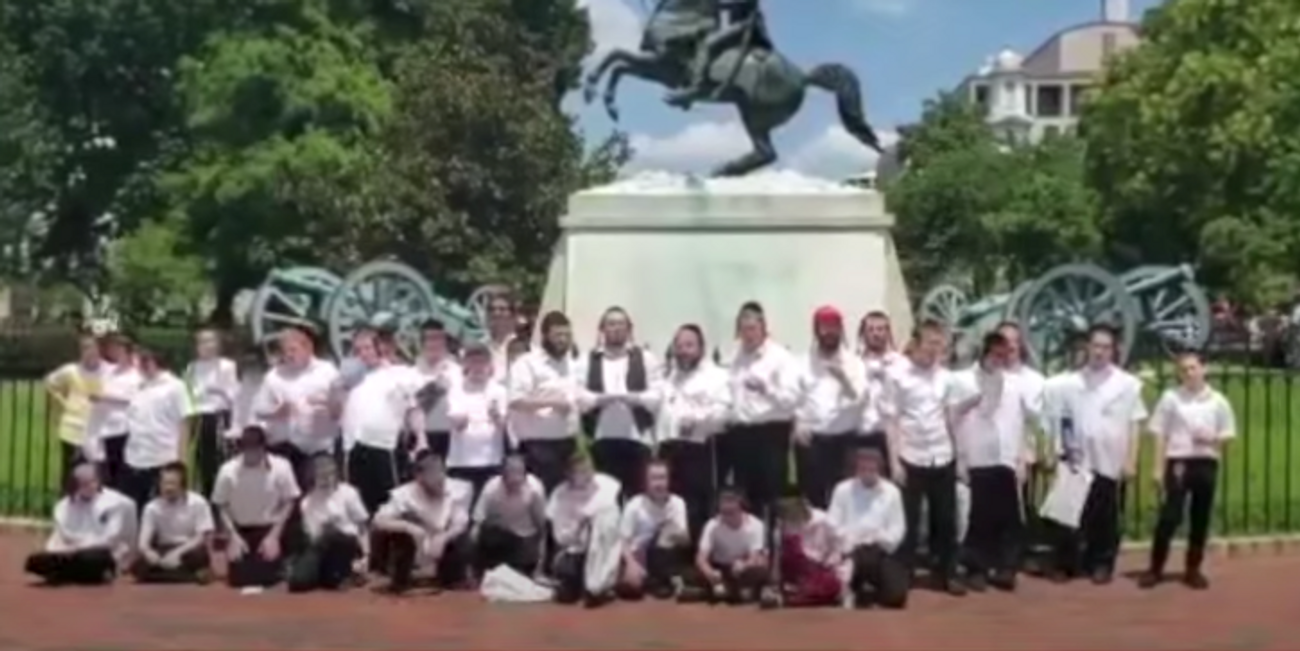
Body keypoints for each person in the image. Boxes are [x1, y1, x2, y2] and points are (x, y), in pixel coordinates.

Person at [1047, 324, 1148, 585]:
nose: (1100, 352)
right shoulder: (1071, 383)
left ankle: (1101, 562)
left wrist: (1131, 459)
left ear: (1113, 350)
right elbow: (1063, 420)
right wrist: (1062, 451)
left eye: (1106, 347)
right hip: (1077, 459)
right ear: (1087, 347)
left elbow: (1135, 422)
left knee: (1105, 515)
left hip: (1110, 459)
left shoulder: (1126, 385)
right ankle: (1065, 563)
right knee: (1069, 514)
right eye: (1096, 346)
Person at [880, 319, 964, 596]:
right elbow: (891, 420)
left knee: (946, 519)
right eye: (930, 343)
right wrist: (894, 461)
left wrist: (959, 456)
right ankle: (904, 572)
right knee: (909, 519)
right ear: (916, 343)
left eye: (939, 345)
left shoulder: (946, 377)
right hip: (910, 455)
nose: (934, 350)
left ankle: (946, 571)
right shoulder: (897, 376)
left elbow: (950, 418)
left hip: (942, 454)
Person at [1139, 351, 1235, 590]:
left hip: (1205, 461)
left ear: (1204, 369)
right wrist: (1158, 468)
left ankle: (1193, 569)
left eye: (1193, 368)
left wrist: (1212, 438)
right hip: (1179, 460)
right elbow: (1160, 432)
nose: (1189, 373)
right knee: (1170, 516)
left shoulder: (1218, 401)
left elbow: (1228, 433)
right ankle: (1155, 568)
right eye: (1183, 370)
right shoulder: (1171, 398)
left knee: (1200, 517)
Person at [948, 331, 1036, 592]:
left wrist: (1021, 456)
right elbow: (952, 418)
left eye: (1004, 355)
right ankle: (976, 568)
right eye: (995, 354)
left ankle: (1007, 567)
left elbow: (1022, 421)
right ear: (984, 353)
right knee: (979, 518)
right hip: (976, 456)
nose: (999, 360)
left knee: (1009, 518)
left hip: (1005, 457)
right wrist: (959, 458)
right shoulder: (962, 380)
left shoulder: (1014, 383)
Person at [723, 301, 800, 521]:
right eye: (743, 329)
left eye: (752, 328)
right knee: (745, 495)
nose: (747, 335)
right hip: (741, 434)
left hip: (771, 433)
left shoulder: (780, 358)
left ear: (763, 328)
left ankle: (774, 538)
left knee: (773, 495)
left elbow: (792, 400)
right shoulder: (734, 358)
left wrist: (767, 389)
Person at [652, 324, 730, 540]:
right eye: (679, 346)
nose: (683, 351)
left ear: (701, 348)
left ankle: (697, 553)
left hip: (699, 449)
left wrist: (697, 420)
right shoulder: (668, 377)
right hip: (668, 448)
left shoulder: (716, 376)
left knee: (696, 508)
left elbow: (724, 415)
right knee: (669, 507)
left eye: (689, 345)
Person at [579, 307, 660, 499]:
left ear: (629, 329)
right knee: (605, 499)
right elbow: (578, 396)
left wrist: (633, 398)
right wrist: (601, 399)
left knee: (637, 498)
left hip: (638, 439)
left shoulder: (646, 358)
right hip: (601, 439)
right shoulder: (587, 359)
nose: (616, 328)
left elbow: (657, 396)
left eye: (621, 324)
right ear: (602, 329)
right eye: (611, 324)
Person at [340, 329, 424, 515]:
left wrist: (420, 438)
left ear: (380, 347)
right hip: (353, 448)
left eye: (367, 348)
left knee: (392, 505)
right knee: (360, 506)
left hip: (385, 447)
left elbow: (417, 406)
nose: (363, 353)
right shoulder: (352, 380)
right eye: (358, 350)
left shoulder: (401, 373)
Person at [794, 306, 867, 509]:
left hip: (844, 441)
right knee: (813, 500)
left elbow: (860, 399)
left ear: (841, 330)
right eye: (824, 327)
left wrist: (843, 380)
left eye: (833, 327)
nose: (829, 332)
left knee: (845, 500)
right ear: (816, 331)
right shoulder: (802, 363)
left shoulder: (854, 362)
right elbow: (795, 398)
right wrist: (798, 423)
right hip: (813, 442)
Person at [211, 424, 301, 589]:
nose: (250, 454)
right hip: (240, 529)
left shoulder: (281, 467)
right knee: (239, 580)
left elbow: (290, 500)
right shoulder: (227, 471)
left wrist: (274, 536)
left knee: (269, 578)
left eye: (254, 449)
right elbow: (221, 505)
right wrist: (233, 536)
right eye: (247, 449)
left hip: (269, 527)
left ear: (263, 448)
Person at [371, 451, 474, 594]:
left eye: (441, 471)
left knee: (463, 537)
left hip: (442, 542)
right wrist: (410, 527)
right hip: (417, 543)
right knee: (394, 534)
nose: (439, 477)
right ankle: (401, 579)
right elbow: (379, 520)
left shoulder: (459, 489)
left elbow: (461, 522)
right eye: (432, 472)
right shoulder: (403, 494)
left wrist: (444, 537)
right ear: (419, 476)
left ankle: (453, 578)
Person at [254, 325, 341, 487]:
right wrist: (277, 412)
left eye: (293, 350)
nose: (288, 355)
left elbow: (342, 405)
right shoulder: (274, 376)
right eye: (284, 351)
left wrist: (326, 404)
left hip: (318, 448)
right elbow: (259, 410)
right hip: (284, 448)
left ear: (308, 347)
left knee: (315, 492)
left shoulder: (327, 371)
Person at [509, 311, 583, 492]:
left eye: (567, 335)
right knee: (542, 496)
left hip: (568, 444)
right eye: (558, 335)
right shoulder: (527, 363)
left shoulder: (574, 365)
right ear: (545, 336)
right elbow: (516, 400)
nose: (563, 340)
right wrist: (552, 403)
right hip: (538, 446)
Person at [24, 463, 133, 585]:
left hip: (100, 552)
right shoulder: (63, 506)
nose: (90, 486)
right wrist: (67, 549)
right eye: (84, 484)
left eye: (92, 482)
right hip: (70, 552)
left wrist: (80, 546)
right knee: (34, 561)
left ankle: (68, 573)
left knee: (92, 559)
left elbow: (110, 538)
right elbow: (64, 535)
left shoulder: (114, 503)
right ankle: (75, 573)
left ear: (98, 482)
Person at [827, 448, 909, 609]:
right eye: (863, 469)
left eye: (872, 469)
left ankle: (868, 592)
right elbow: (832, 525)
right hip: (850, 551)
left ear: (879, 469)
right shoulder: (842, 490)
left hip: (879, 551)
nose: (867, 473)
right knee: (835, 584)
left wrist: (878, 537)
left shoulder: (892, 493)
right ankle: (852, 588)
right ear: (856, 469)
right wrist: (850, 541)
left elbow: (897, 529)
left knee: (897, 596)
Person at [663, 0, 775, 110]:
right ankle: (688, 84)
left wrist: (714, 5)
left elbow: (737, 4)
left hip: (747, 27)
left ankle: (699, 86)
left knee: (709, 45)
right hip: (740, 26)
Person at [121, 348, 193, 512]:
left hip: (162, 458)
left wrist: (181, 459)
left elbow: (185, 422)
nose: (141, 366)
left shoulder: (175, 386)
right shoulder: (139, 387)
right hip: (135, 458)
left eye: (146, 361)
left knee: (162, 510)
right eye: (140, 362)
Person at [547, 453, 623, 606]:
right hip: (574, 550)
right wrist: (579, 527)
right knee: (566, 596)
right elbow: (560, 538)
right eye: (581, 472)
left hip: (602, 548)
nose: (588, 475)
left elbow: (615, 525)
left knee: (606, 517)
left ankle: (598, 586)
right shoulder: (559, 495)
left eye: (590, 470)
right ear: (569, 475)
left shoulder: (609, 487)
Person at [288, 453, 369, 592]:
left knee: (333, 535)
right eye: (321, 475)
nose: (326, 479)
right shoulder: (307, 502)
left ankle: (347, 571)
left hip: (347, 543)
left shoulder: (349, 493)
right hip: (320, 546)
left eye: (329, 474)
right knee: (298, 582)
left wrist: (366, 555)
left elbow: (362, 526)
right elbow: (312, 535)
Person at [616, 461, 691, 600]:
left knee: (666, 535)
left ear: (668, 480)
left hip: (664, 555)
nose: (659, 483)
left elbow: (685, 540)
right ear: (646, 482)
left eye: (662, 478)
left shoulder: (678, 503)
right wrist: (631, 564)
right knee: (631, 587)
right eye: (654, 478)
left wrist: (670, 530)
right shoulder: (634, 505)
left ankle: (662, 580)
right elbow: (623, 541)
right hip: (638, 556)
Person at [446, 343, 510, 501]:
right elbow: (456, 422)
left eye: (482, 362)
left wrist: (496, 417)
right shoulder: (456, 390)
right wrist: (461, 421)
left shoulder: (499, 391)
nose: (478, 367)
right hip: (461, 460)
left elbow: (504, 426)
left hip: (492, 459)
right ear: (466, 364)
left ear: (489, 364)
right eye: (473, 361)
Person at [133, 462, 214, 583]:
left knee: (199, 557)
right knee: (139, 565)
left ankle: (164, 575)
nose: (168, 488)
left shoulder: (198, 503)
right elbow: (143, 542)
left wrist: (177, 554)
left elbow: (201, 537)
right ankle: (189, 576)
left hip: (188, 548)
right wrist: (148, 552)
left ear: (183, 485)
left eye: (172, 484)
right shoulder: (151, 507)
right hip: (163, 548)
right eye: (164, 483)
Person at [45, 331, 110, 480]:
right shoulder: (70, 370)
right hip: (73, 427)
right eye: (84, 348)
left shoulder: (108, 370)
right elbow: (50, 382)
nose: (89, 352)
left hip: (101, 427)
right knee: (72, 468)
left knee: (100, 468)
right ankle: (70, 493)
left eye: (92, 347)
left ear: (99, 349)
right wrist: (63, 401)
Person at [471, 455, 547, 577]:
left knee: (518, 574)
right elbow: (478, 520)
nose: (515, 478)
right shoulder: (491, 488)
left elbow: (541, 528)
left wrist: (541, 562)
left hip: (524, 537)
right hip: (499, 535)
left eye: (519, 472)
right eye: (511, 472)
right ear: (503, 475)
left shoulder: (535, 490)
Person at [692, 486, 769, 604]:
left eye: (731, 502)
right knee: (698, 573)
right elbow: (701, 558)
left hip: (743, 568)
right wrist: (710, 572)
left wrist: (744, 565)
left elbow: (756, 556)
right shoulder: (712, 525)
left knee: (761, 567)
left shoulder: (756, 525)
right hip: (720, 568)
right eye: (724, 505)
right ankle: (725, 590)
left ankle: (739, 591)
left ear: (740, 505)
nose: (728, 507)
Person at [185, 328, 238, 495]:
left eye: (210, 341)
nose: (206, 345)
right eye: (202, 342)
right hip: (196, 417)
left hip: (217, 416)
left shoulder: (227, 366)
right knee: (199, 460)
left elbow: (234, 395)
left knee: (218, 458)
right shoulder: (192, 367)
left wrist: (218, 390)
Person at [85, 333, 141, 491]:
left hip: (123, 427)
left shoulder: (135, 375)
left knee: (121, 470)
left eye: (119, 350)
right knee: (107, 470)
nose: (115, 353)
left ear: (128, 353)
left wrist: (106, 398)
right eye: (113, 349)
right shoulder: (110, 373)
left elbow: (134, 399)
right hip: (105, 427)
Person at [770, 489, 841, 607]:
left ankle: (794, 597)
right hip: (796, 574)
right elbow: (778, 558)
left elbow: (840, 551)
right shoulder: (783, 526)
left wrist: (829, 565)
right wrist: (775, 584)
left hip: (821, 571)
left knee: (830, 585)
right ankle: (792, 595)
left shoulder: (825, 521)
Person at [859, 311, 904, 474]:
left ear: (888, 332)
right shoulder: (854, 363)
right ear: (863, 334)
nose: (876, 334)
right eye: (870, 329)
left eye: (880, 329)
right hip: (863, 435)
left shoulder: (901, 363)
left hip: (895, 436)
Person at [413, 319, 462, 460]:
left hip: (451, 438)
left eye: (438, 338)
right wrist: (433, 389)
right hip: (419, 438)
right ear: (422, 342)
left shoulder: (458, 372)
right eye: (429, 339)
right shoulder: (411, 373)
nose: (434, 344)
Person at [483, 290, 519, 380]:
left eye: (502, 309)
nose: (496, 313)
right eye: (492, 309)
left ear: (513, 315)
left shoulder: (522, 347)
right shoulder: (480, 345)